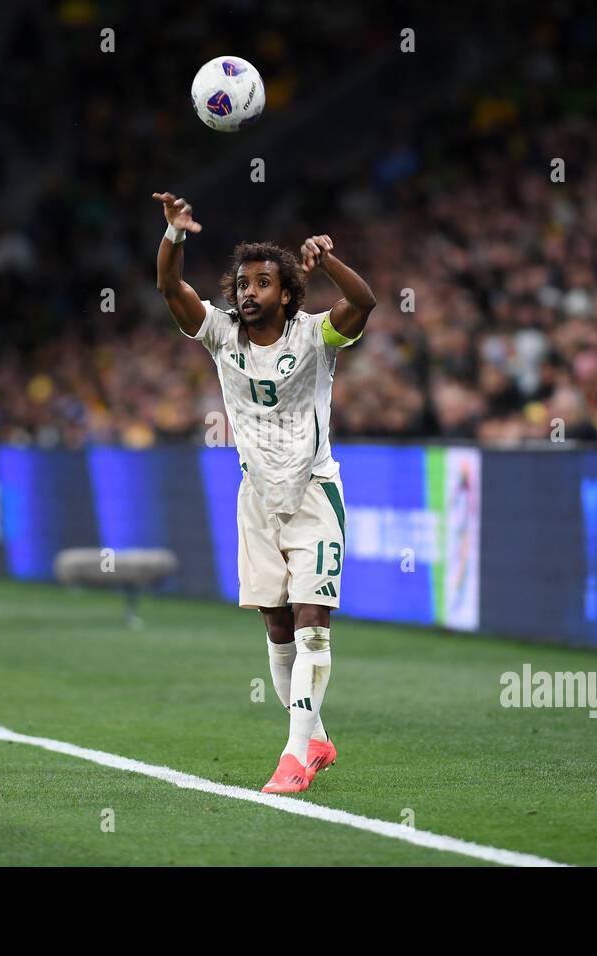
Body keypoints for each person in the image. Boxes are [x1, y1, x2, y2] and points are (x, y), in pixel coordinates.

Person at [152, 191, 375, 793]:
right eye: (242, 283)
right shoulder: (222, 336)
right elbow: (172, 292)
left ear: (286, 292)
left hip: (313, 495)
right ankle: (317, 735)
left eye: (262, 283)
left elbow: (365, 302)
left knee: (311, 627)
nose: (248, 292)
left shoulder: (314, 336)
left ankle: (294, 757)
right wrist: (173, 238)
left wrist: (325, 260)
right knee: (277, 629)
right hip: (256, 497)